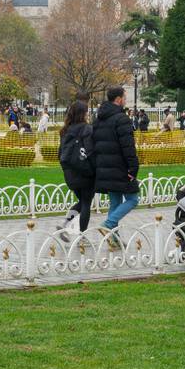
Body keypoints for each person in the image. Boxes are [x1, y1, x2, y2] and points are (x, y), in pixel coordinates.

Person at [92, 86, 140, 249]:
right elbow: (128, 146)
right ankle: (108, 224)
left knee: (115, 202)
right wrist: (133, 167)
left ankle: (114, 239)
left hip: (105, 166)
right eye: (125, 98)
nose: (125, 101)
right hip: (120, 167)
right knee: (133, 199)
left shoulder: (98, 119)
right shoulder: (121, 118)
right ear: (119, 99)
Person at [56, 100, 96, 241]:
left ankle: (65, 223)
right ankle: (82, 236)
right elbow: (90, 151)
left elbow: (60, 153)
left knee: (81, 202)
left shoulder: (65, 130)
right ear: (83, 113)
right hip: (84, 172)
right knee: (86, 204)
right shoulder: (86, 129)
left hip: (70, 173)